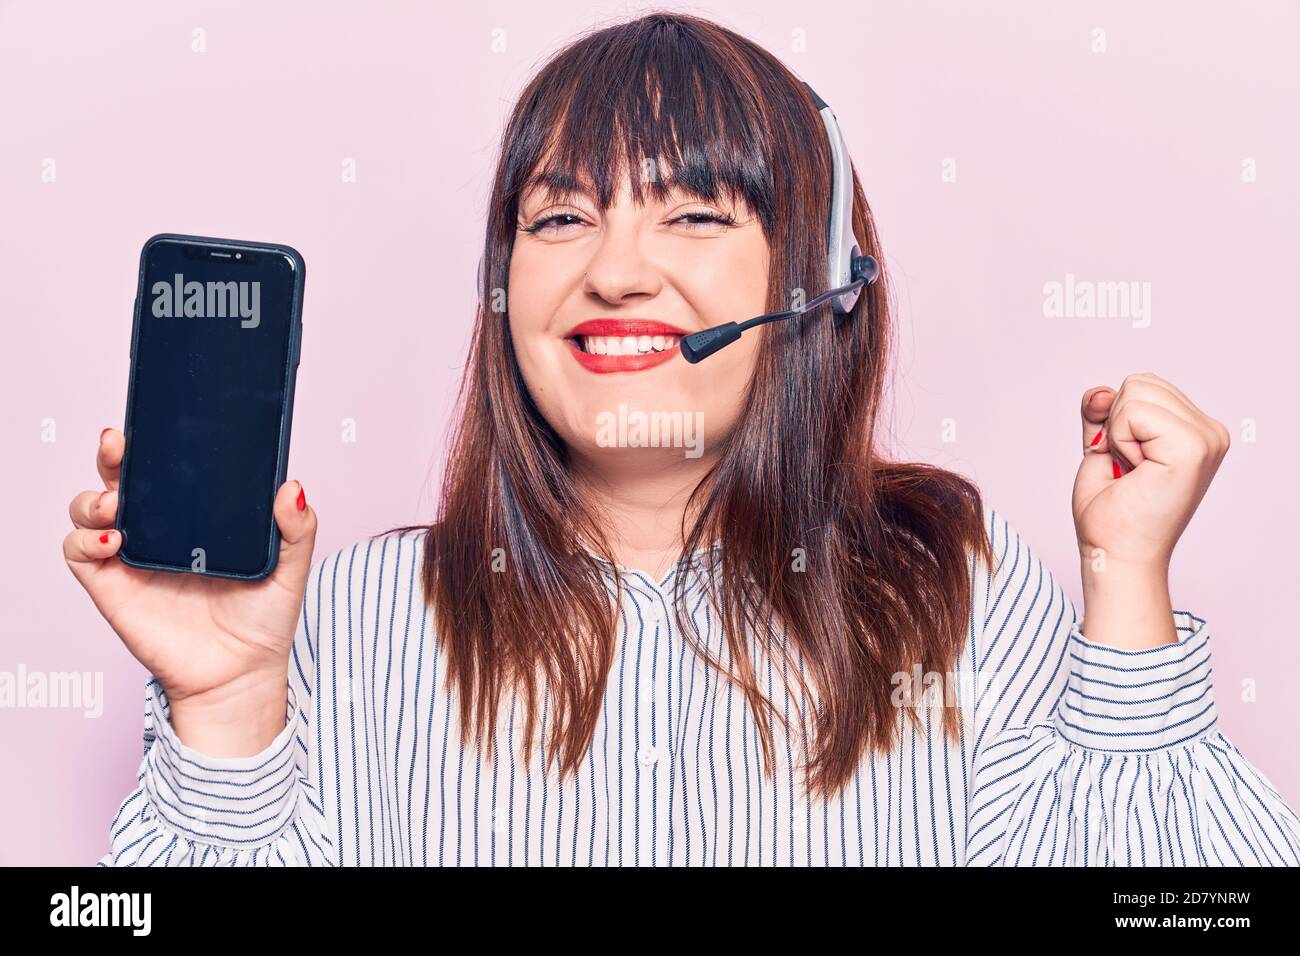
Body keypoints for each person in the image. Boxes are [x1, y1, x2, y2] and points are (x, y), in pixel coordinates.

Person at [68, 12, 1299, 866]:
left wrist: (1127, 589)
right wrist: (226, 703)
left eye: (694, 212)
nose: (614, 271)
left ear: (816, 277)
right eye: (560, 217)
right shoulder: (354, 624)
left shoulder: (954, 590)